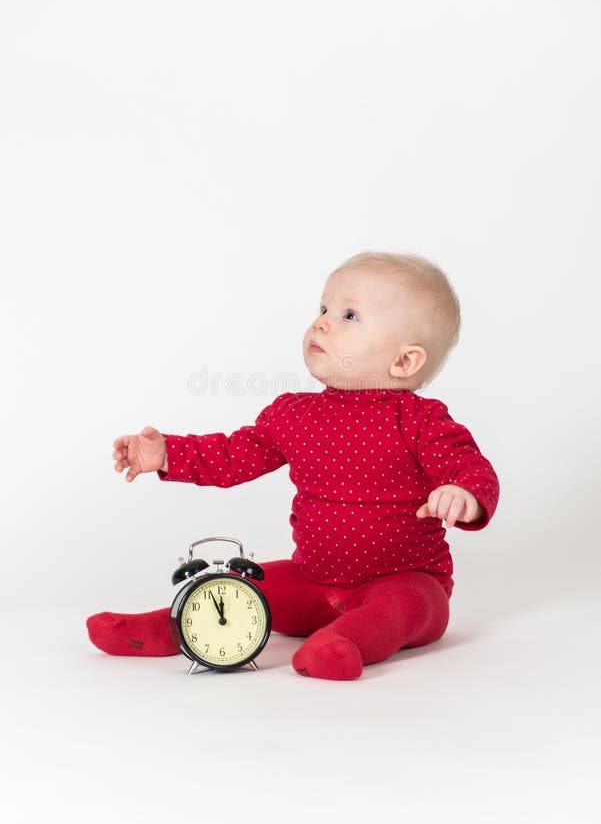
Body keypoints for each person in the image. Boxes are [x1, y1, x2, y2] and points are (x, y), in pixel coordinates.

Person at [87, 251, 499, 680]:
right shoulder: (294, 415)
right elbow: (234, 455)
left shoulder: (419, 420)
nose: (321, 322)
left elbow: (471, 468)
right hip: (312, 582)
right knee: (240, 585)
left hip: (405, 580)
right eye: (323, 309)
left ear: (404, 361)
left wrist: (464, 495)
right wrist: (168, 454)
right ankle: (167, 628)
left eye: (349, 315)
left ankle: (344, 645)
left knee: (405, 608)